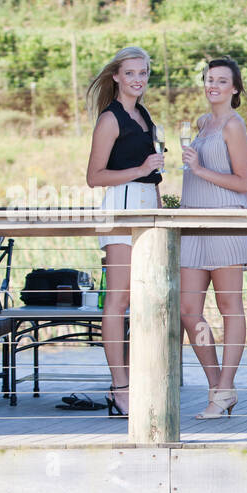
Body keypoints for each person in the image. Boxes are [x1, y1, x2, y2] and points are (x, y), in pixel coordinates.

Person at [179, 57, 247, 419]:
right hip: (193, 224)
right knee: (189, 311)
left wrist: (200, 169)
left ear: (234, 89)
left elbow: (243, 182)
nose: (212, 85)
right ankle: (219, 385)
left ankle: (223, 389)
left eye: (221, 81)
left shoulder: (234, 125)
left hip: (226, 224)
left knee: (229, 307)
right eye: (208, 79)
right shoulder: (202, 124)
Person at [84, 46, 163, 418]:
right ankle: (120, 387)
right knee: (118, 300)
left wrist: (163, 211)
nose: (137, 79)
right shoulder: (110, 119)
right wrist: (141, 168)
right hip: (120, 208)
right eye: (130, 73)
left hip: (149, 210)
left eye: (143, 73)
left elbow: (152, 172)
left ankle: (143, 379)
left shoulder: (143, 114)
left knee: (149, 299)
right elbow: (94, 177)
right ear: (116, 76)